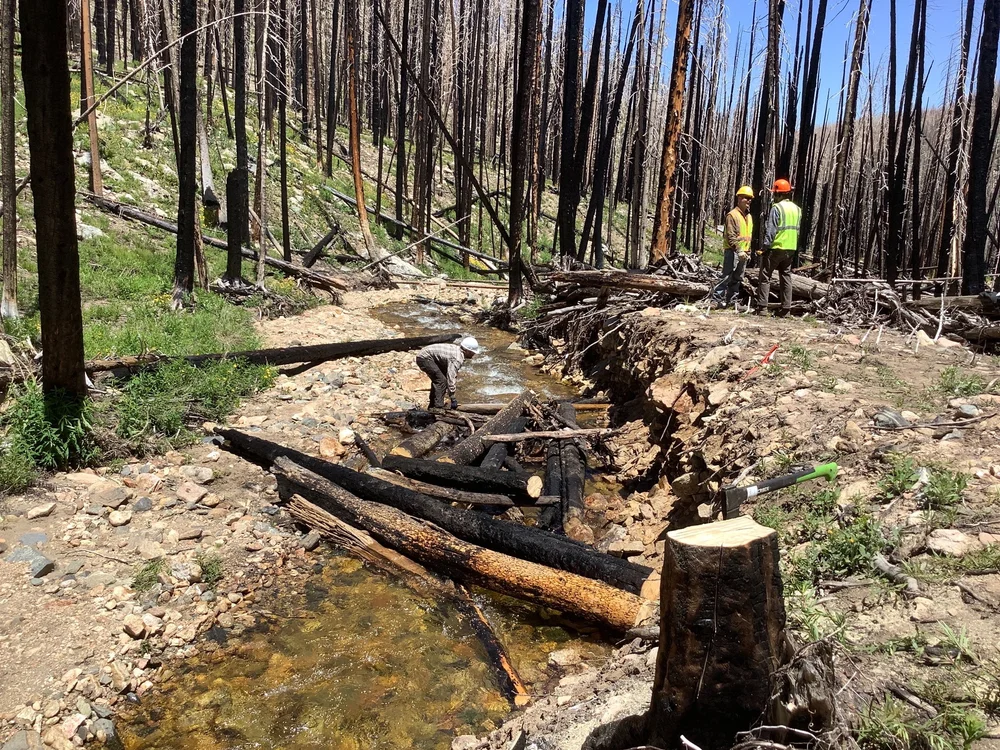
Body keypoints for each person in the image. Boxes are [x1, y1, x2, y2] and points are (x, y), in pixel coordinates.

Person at [756, 178, 801, 316]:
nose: (774, 197)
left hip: (776, 247)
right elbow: (797, 230)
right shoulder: (797, 209)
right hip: (790, 248)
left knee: (765, 276)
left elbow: (771, 230)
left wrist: (764, 247)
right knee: (786, 277)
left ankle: (762, 307)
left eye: (775, 194)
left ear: (780, 194)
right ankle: (786, 309)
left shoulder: (777, 208)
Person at [713, 185, 754, 307]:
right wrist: (739, 250)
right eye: (746, 198)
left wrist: (748, 251)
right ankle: (716, 300)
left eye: (750, 198)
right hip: (733, 252)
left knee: (737, 279)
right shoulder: (732, 215)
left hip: (744, 253)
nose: (749, 201)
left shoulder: (749, 217)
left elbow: (748, 236)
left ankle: (732, 302)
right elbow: (730, 236)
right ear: (739, 198)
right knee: (726, 277)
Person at [415, 336, 480, 409]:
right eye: (473, 352)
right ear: (467, 351)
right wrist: (452, 397)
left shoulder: (457, 350)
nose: (474, 354)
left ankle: (432, 405)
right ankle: (438, 407)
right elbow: (451, 377)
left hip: (429, 356)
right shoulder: (457, 358)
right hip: (424, 358)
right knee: (441, 381)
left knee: (439, 379)